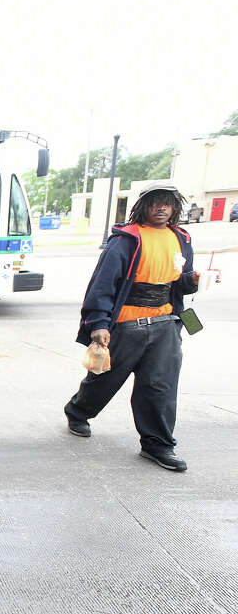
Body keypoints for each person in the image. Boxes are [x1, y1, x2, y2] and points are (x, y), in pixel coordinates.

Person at [63, 182, 208, 472]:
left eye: (167, 203)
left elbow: (178, 280)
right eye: (155, 203)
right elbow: (103, 284)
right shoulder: (126, 240)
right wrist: (99, 323)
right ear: (143, 206)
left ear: (175, 208)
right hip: (127, 324)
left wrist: (191, 281)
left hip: (166, 324)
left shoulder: (181, 238)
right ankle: (78, 411)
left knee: (160, 386)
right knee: (105, 378)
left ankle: (157, 444)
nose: (161, 208)